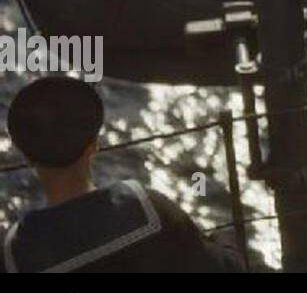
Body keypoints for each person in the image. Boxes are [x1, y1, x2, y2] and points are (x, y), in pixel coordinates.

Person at [1, 76, 246, 273]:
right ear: (93, 145)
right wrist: (225, 238)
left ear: (27, 156)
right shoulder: (147, 210)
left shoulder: (15, 254)